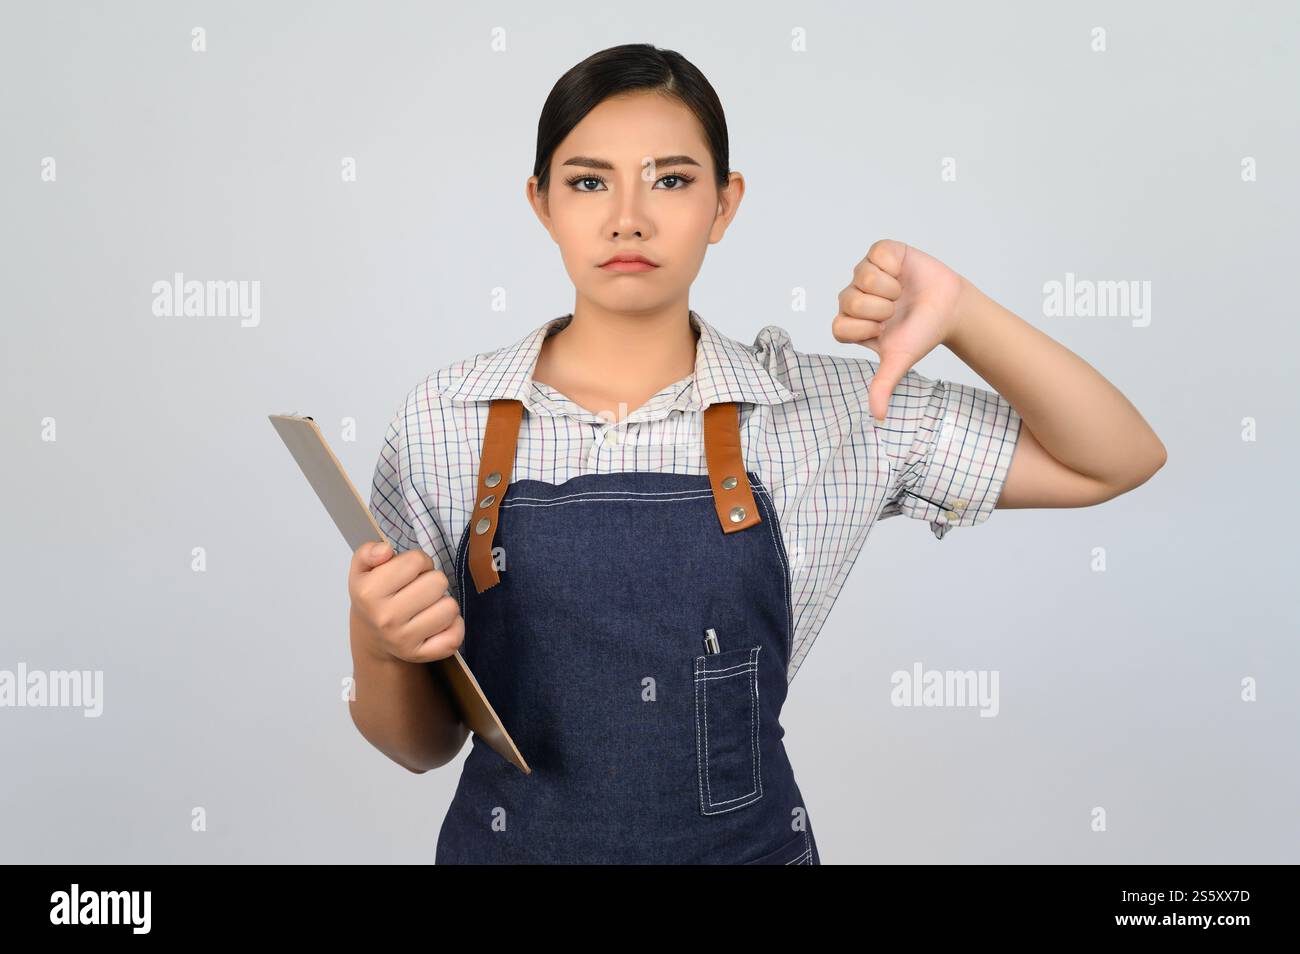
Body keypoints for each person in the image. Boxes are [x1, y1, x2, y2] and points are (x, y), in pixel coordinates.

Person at [346, 43, 1167, 865]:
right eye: (589, 181)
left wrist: (961, 314)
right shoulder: (444, 419)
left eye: (671, 180)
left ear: (725, 204)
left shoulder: (833, 413)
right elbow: (421, 745)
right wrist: (377, 643)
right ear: (542, 201)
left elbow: (1116, 457)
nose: (628, 216)